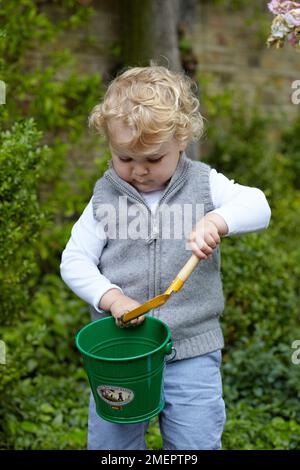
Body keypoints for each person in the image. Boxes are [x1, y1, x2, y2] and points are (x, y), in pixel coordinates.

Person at [60, 64, 271, 450]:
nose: (138, 171)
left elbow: (258, 205)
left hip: (191, 349)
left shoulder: (205, 184)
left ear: (182, 140)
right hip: (121, 355)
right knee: (113, 447)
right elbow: (74, 260)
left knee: (195, 443)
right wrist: (112, 298)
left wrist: (217, 220)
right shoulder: (105, 197)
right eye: (124, 158)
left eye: (153, 160)